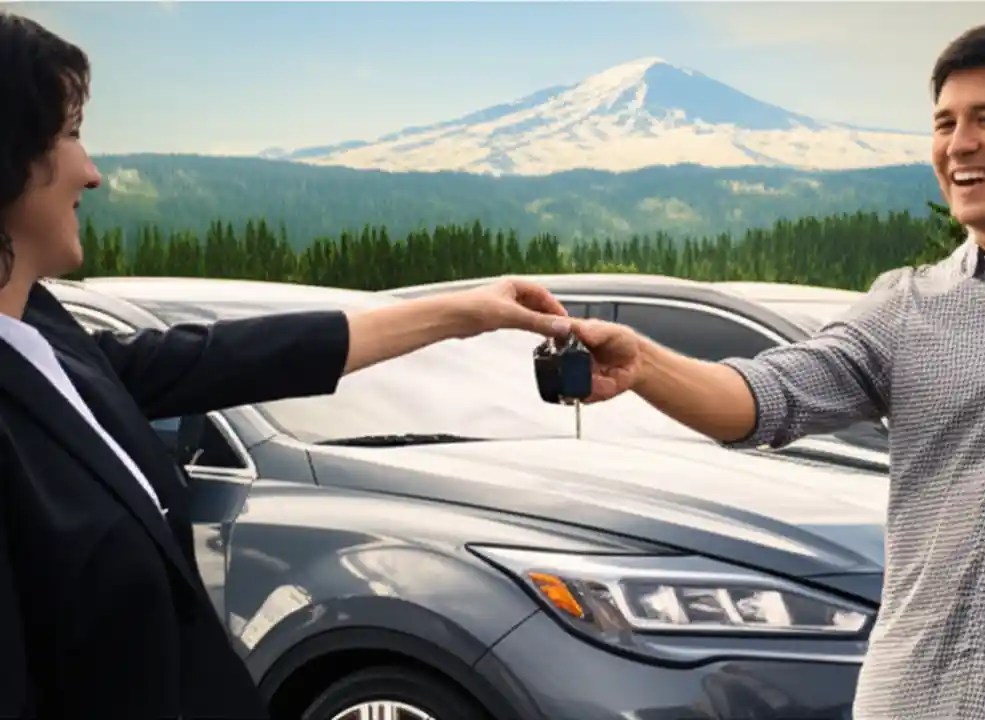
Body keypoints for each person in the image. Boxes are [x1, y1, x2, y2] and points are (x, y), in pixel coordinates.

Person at [566, 19, 985, 720]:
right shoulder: (905, 304)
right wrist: (643, 363)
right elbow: (767, 398)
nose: (959, 146)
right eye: (944, 123)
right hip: (912, 697)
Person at [0, 12, 570, 719]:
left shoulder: (46, 336)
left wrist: (467, 312)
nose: (93, 173)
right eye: (71, 134)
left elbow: (229, 359)